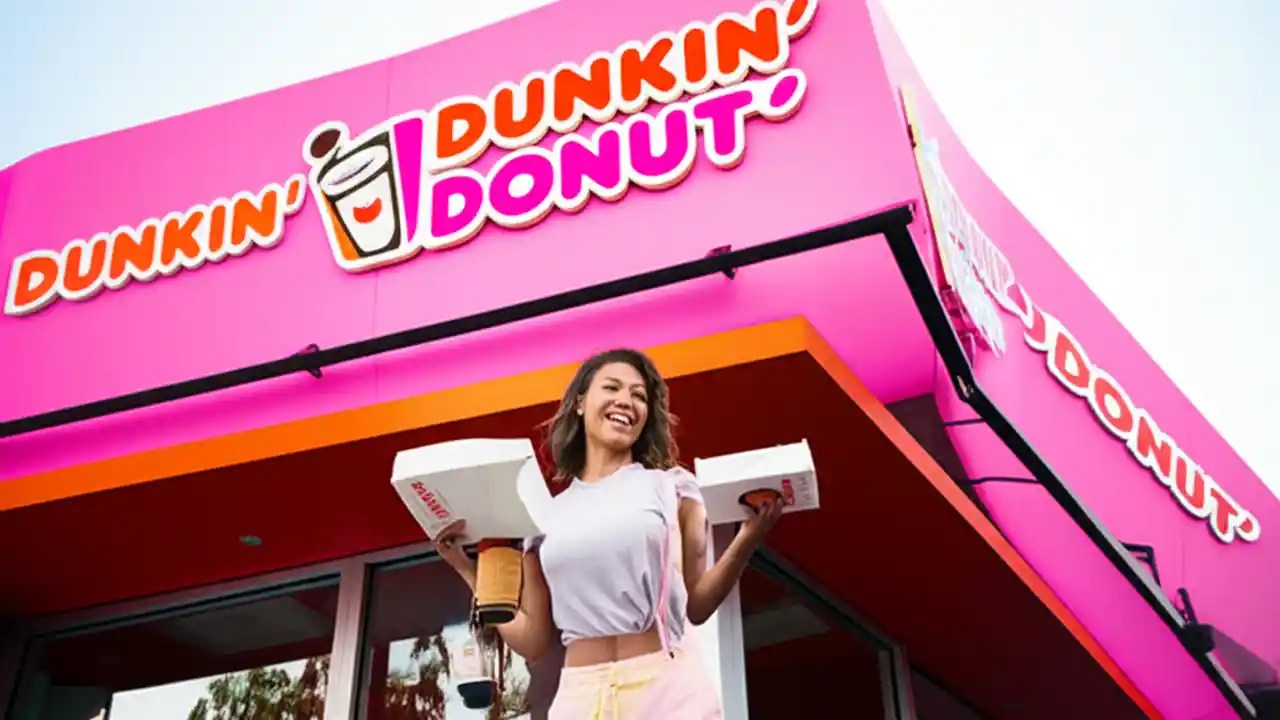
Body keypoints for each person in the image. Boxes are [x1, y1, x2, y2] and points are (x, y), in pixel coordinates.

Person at [434, 348, 784, 718]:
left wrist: (748, 537)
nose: (625, 401)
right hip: (580, 696)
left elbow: (697, 605)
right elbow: (533, 641)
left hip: (663, 685)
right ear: (581, 403)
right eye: (612, 387)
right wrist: (469, 571)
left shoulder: (672, 488)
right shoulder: (545, 515)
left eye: (638, 395)